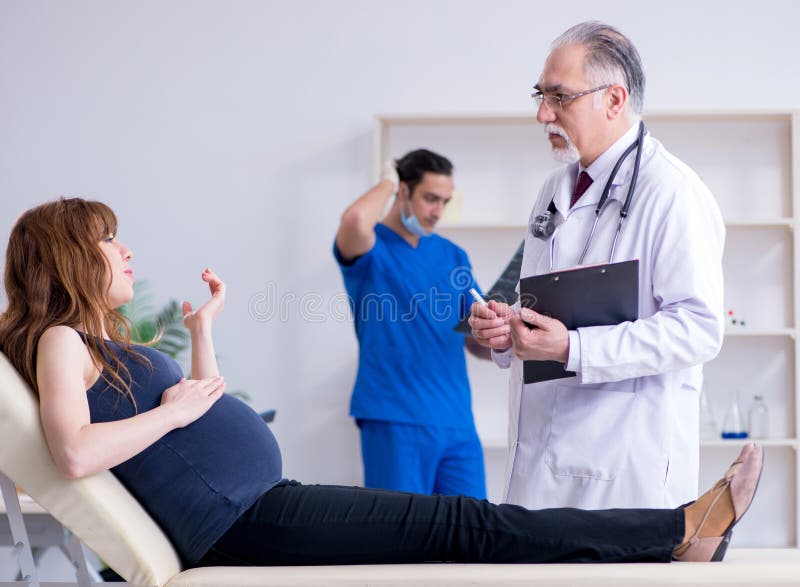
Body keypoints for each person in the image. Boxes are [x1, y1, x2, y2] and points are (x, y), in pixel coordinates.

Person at [0, 197, 760, 567]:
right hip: (243, 525)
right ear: (68, 258)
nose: (125, 251)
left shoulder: (99, 341)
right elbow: (73, 452)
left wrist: (200, 336)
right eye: (108, 241)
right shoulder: (63, 339)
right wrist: (172, 413)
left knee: (470, 521)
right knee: (469, 525)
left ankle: (673, 534)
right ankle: (676, 530)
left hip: (257, 507)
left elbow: (190, 415)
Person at [469, 21, 725, 511]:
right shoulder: (554, 190)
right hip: (538, 468)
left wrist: (573, 348)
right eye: (540, 95)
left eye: (560, 97)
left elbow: (698, 329)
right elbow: (545, 308)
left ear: (614, 99)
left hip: (623, 470)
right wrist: (508, 331)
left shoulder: (673, 193)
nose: (544, 114)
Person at [334, 149, 490, 499]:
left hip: (456, 421)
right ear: (403, 191)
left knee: (475, 538)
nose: (437, 212)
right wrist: (389, 178)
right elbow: (356, 220)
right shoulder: (370, 249)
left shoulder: (453, 255)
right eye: (430, 199)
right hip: (395, 417)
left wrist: (499, 334)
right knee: (401, 545)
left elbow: (476, 343)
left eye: (445, 202)